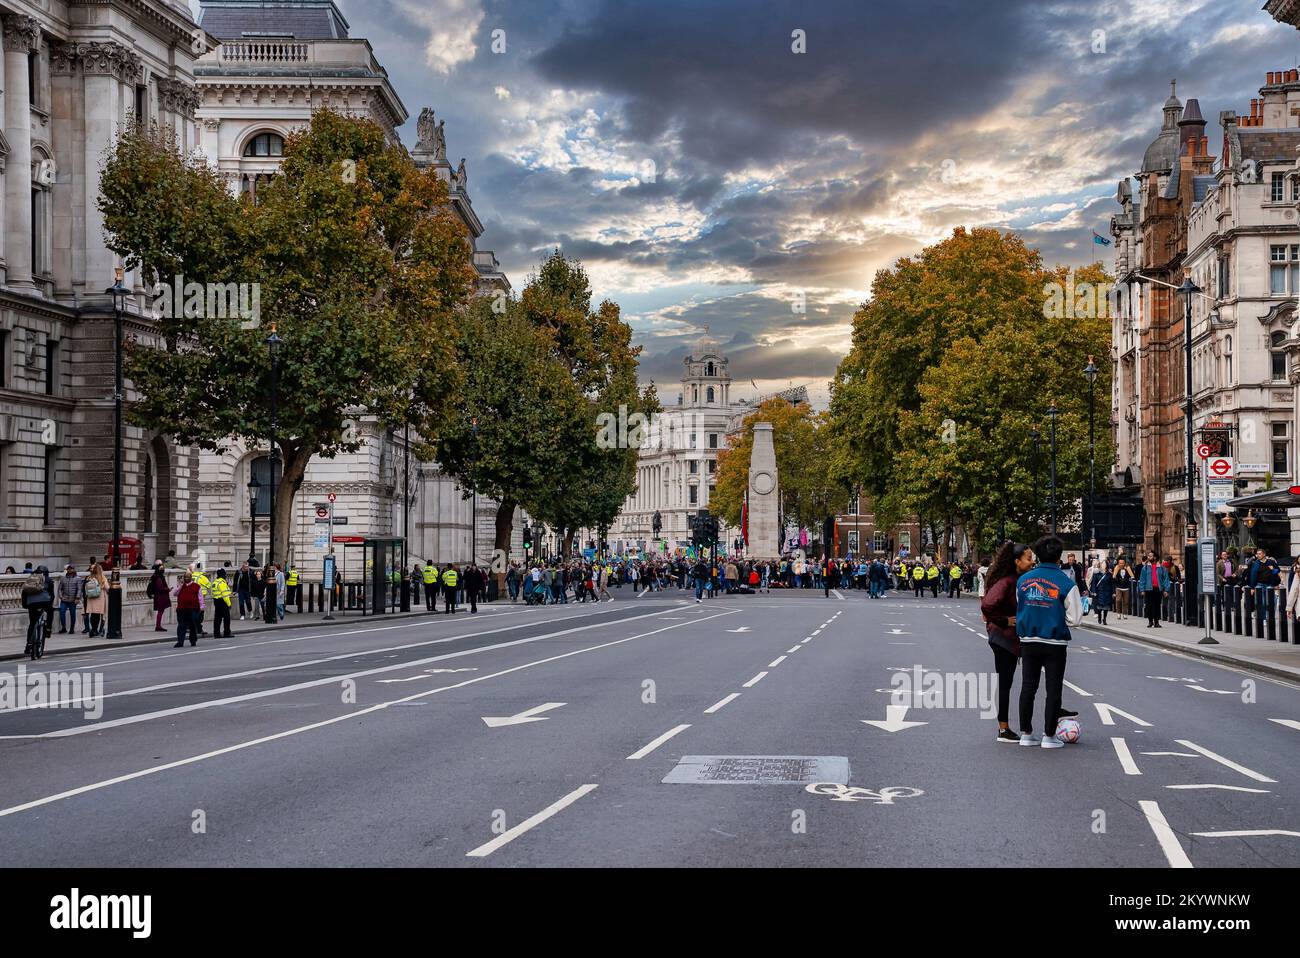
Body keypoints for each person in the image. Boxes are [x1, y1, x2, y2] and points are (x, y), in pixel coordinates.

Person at [1016, 536, 1083, 748]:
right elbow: (1075, 618)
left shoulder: (1024, 580)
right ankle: (1049, 735)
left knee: (1028, 686)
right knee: (1053, 689)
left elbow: (1020, 606)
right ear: (1059, 557)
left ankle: (1026, 734)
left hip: (1028, 640)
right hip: (1054, 642)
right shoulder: (1066, 582)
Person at [981, 542, 1034, 743]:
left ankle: (1005, 727)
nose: (1032, 561)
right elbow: (987, 605)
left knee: (1006, 682)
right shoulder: (1007, 581)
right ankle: (1003, 728)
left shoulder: (1016, 579)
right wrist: (1004, 620)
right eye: (1028, 558)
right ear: (1016, 561)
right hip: (1003, 638)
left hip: (1008, 637)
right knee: (1005, 683)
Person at [20, 565, 54, 656]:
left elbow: (24, 592)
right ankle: (48, 629)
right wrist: (50, 604)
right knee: (51, 611)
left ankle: (28, 644)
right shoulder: (48, 580)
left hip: (31, 603)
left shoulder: (30, 578)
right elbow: (52, 594)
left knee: (32, 623)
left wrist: (25, 605)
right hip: (44, 602)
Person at [1137, 551, 1170, 628]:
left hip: (1158, 589)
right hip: (1148, 589)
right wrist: (1142, 589)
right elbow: (1142, 579)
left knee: (1157, 606)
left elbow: (1165, 579)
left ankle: (1156, 622)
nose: (1149, 557)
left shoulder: (1161, 567)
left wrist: (1166, 590)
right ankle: (1150, 621)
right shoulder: (1145, 568)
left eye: (1150, 556)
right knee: (1149, 606)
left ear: (1155, 557)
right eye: (1148, 556)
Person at [173, 571, 202, 648]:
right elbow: (175, 593)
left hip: (193, 608)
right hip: (181, 608)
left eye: (188, 577)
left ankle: (193, 640)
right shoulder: (181, 586)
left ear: (191, 578)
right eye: (185, 577)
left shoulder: (196, 586)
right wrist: (180, 586)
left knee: (192, 625)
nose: (186, 579)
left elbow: (200, 598)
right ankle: (180, 641)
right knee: (181, 626)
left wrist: (201, 607)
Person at [83, 562, 109, 638]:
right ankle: (100, 629)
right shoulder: (102, 577)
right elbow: (107, 587)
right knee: (100, 614)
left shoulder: (89, 577)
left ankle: (93, 629)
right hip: (99, 597)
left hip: (91, 598)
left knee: (93, 614)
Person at [56, 563, 82, 634]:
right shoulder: (63, 578)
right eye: (69, 569)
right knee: (61, 612)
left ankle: (72, 628)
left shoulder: (78, 579)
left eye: (71, 569)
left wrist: (77, 598)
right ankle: (63, 627)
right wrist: (61, 596)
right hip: (64, 599)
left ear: (74, 570)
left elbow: (79, 589)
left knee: (72, 614)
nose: (70, 570)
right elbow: (60, 589)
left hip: (73, 599)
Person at [148, 562, 171, 631]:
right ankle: (158, 626)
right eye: (161, 568)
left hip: (159, 596)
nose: (163, 570)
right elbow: (160, 588)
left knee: (160, 611)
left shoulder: (156, 576)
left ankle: (158, 626)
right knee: (160, 611)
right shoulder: (158, 577)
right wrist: (168, 589)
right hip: (160, 596)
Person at [1089, 560, 1114, 625]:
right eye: (1102, 564)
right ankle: (1099, 617)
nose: (1103, 566)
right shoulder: (1097, 574)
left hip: (1107, 592)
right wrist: (1094, 591)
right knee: (1099, 607)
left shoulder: (1109, 574)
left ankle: (1104, 619)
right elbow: (1094, 583)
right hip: (1099, 592)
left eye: (1104, 564)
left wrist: (1113, 592)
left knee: (1106, 607)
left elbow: (1112, 584)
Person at [211, 568, 234, 637]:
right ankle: (227, 633)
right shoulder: (222, 583)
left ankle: (216, 633)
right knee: (226, 618)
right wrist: (229, 604)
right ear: (223, 574)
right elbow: (225, 595)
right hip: (223, 602)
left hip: (216, 601)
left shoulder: (215, 582)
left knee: (217, 618)